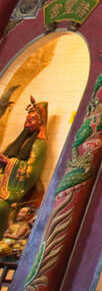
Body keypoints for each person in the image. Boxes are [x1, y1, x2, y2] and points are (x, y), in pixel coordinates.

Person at [0, 97, 47, 236]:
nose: (27, 123)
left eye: (31, 120)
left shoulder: (40, 144)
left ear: (40, 122)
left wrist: (9, 163)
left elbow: (32, 171)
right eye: (27, 120)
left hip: (13, 187)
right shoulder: (19, 141)